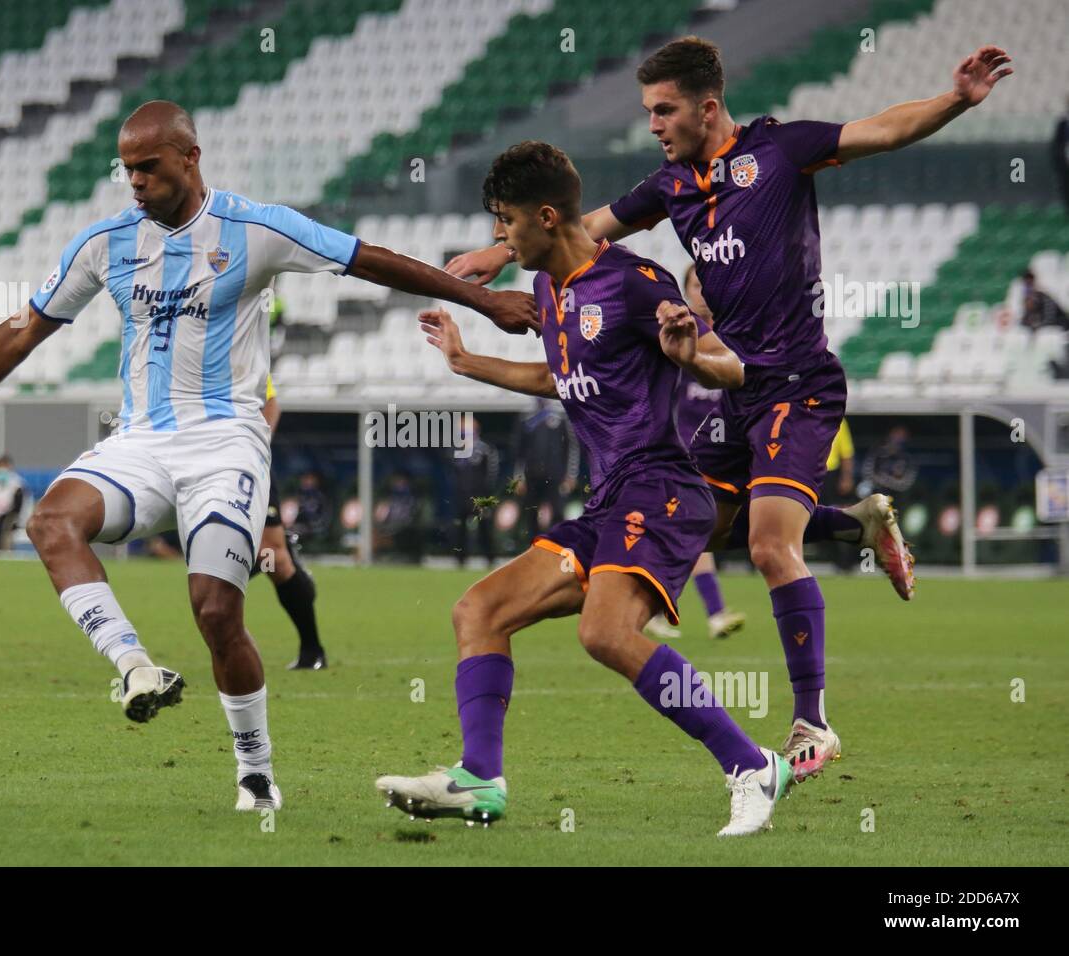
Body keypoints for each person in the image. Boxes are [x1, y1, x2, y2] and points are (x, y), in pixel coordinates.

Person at [0, 99, 537, 813]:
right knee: (50, 523)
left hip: (227, 441)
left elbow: (367, 259)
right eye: (127, 169)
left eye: (148, 166)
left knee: (216, 612)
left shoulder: (256, 229)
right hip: (139, 442)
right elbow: (20, 333)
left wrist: (485, 304)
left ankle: (255, 772)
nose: (134, 181)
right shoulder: (105, 245)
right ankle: (136, 667)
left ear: (189, 158)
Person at [444, 36, 1009, 779]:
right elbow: (588, 227)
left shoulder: (779, 151)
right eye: (648, 110)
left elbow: (883, 128)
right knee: (697, 525)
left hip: (796, 381)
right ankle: (858, 526)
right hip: (728, 385)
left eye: (663, 110)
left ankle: (812, 723)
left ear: (707, 107)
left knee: (773, 545)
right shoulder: (672, 184)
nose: (653, 124)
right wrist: (494, 256)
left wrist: (955, 101)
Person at [378, 141, 790, 836]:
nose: (501, 238)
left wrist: (692, 353)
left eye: (505, 222)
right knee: (479, 610)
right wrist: (465, 361)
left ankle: (752, 765)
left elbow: (732, 366)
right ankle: (480, 778)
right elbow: (555, 377)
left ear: (545, 216)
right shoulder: (551, 289)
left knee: (605, 633)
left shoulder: (633, 282)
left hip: (660, 490)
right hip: (608, 501)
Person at [646, 264, 746, 641]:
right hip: (686, 455)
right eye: (694, 286)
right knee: (696, 530)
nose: (701, 293)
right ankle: (715, 612)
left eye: (706, 285)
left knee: (687, 534)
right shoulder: (672, 339)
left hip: (730, 453)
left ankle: (652, 607)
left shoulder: (733, 339)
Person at [257, 375, 327, 671]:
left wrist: (254, 447)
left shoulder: (237, 346)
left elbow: (271, 404)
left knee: (272, 558)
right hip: (191, 464)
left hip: (245, 466)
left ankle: (312, 649)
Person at [512, 397, 580, 542]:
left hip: (556, 474)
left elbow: (572, 447)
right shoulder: (527, 418)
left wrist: (571, 475)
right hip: (532, 474)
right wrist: (518, 478)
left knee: (557, 511)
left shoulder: (561, 416)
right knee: (531, 511)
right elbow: (520, 452)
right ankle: (534, 546)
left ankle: (557, 544)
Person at [451, 415, 499, 567]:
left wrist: (487, 496)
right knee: (460, 528)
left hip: (480, 495)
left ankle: (489, 558)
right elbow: (453, 472)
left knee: (484, 528)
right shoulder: (456, 450)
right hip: (461, 494)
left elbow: (492, 474)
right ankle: (460, 559)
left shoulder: (485, 450)